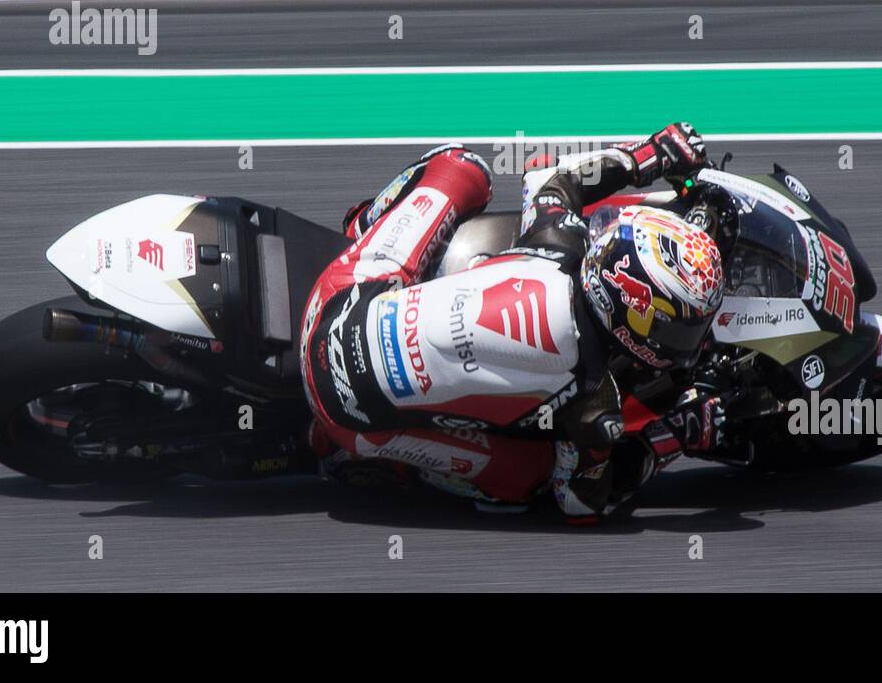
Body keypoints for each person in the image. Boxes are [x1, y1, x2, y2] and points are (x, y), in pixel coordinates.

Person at [300, 123, 726, 523]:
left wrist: (649, 155)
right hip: (350, 425)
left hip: (333, 302)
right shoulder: (596, 401)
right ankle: (373, 460)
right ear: (630, 312)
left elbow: (548, 176)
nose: (693, 337)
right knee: (525, 484)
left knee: (462, 166)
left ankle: (366, 227)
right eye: (681, 327)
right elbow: (578, 504)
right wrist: (672, 438)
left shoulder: (558, 242)